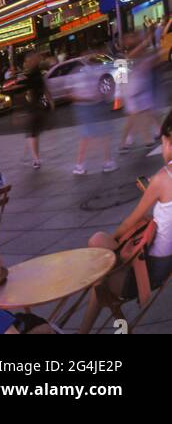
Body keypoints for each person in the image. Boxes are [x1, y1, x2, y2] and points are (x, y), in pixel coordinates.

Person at [82, 109, 172, 331]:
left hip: (149, 270)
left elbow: (130, 222)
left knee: (98, 271)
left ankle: (115, 325)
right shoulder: (162, 179)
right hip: (166, 263)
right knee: (99, 272)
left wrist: (115, 244)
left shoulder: (163, 178)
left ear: (168, 141)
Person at [73, 56, 117, 175]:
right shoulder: (95, 72)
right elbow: (105, 90)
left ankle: (81, 165)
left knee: (90, 136)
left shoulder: (82, 72)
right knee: (99, 134)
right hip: (91, 107)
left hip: (85, 107)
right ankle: (105, 162)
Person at [18, 51, 50, 169]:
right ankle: (35, 159)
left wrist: (50, 100)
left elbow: (44, 87)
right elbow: (24, 91)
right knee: (32, 134)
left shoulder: (35, 73)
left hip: (36, 107)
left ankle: (31, 156)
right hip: (32, 107)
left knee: (33, 133)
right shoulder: (28, 74)